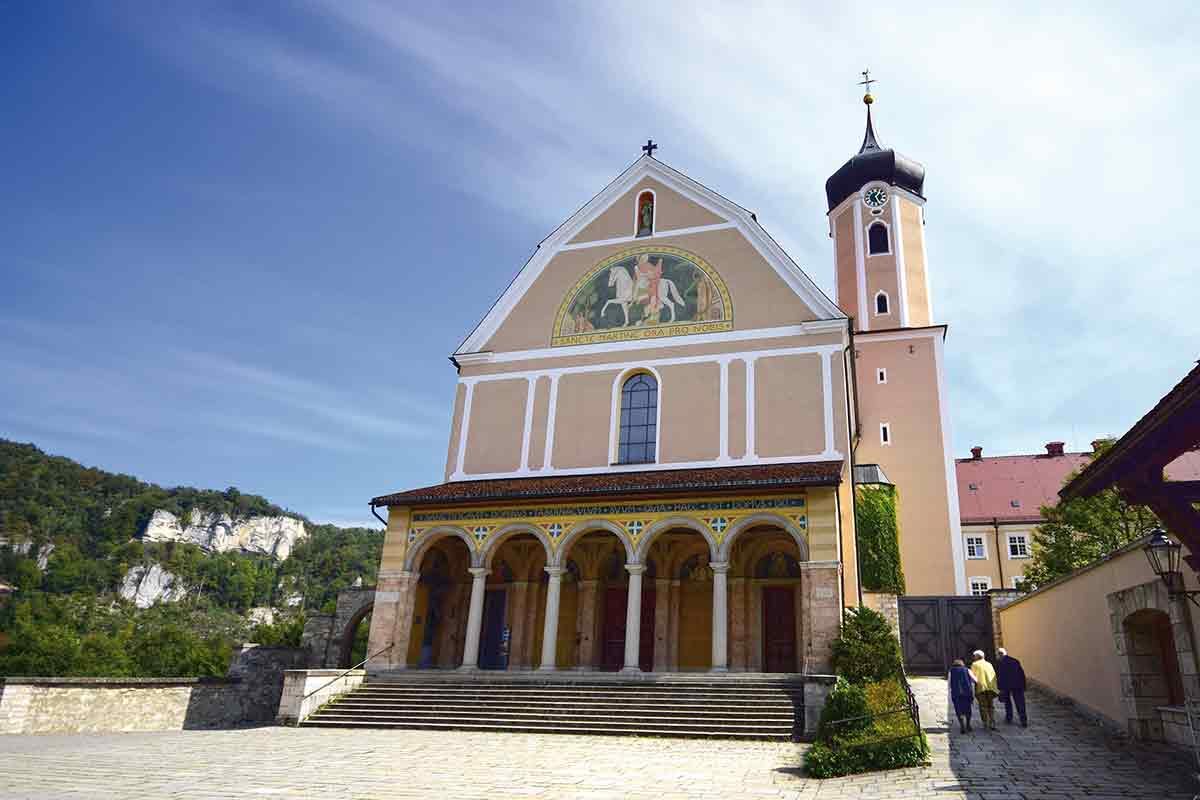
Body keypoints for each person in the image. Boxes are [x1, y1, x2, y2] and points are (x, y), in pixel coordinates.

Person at [996, 647, 1029, 727]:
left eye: (997, 655)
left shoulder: (1000, 663)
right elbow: (1021, 673)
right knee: (1020, 703)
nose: (997, 657)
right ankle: (1023, 720)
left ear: (1000, 655)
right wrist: (1024, 685)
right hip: (1017, 685)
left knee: (1007, 703)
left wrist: (1000, 688)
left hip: (1006, 686)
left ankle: (1009, 718)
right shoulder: (1015, 661)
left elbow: (1000, 676)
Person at [969, 649, 999, 731]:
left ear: (977, 656)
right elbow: (994, 675)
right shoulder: (989, 664)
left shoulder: (974, 664)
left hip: (981, 687)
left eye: (974, 656)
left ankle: (985, 723)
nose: (973, 657)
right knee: (990, 705)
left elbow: (973, 677)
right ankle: (992, 722)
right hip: (991, 687)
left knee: (983, 706)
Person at [948, 658, 976, 733]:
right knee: (968, 709)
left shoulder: (951, 671)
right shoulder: (967, 670)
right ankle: (968, 725)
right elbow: (975, 680)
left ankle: (962, 726)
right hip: (967, 693)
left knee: (958, 710)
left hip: (956, 693)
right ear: (962, 664)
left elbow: (949, 683)